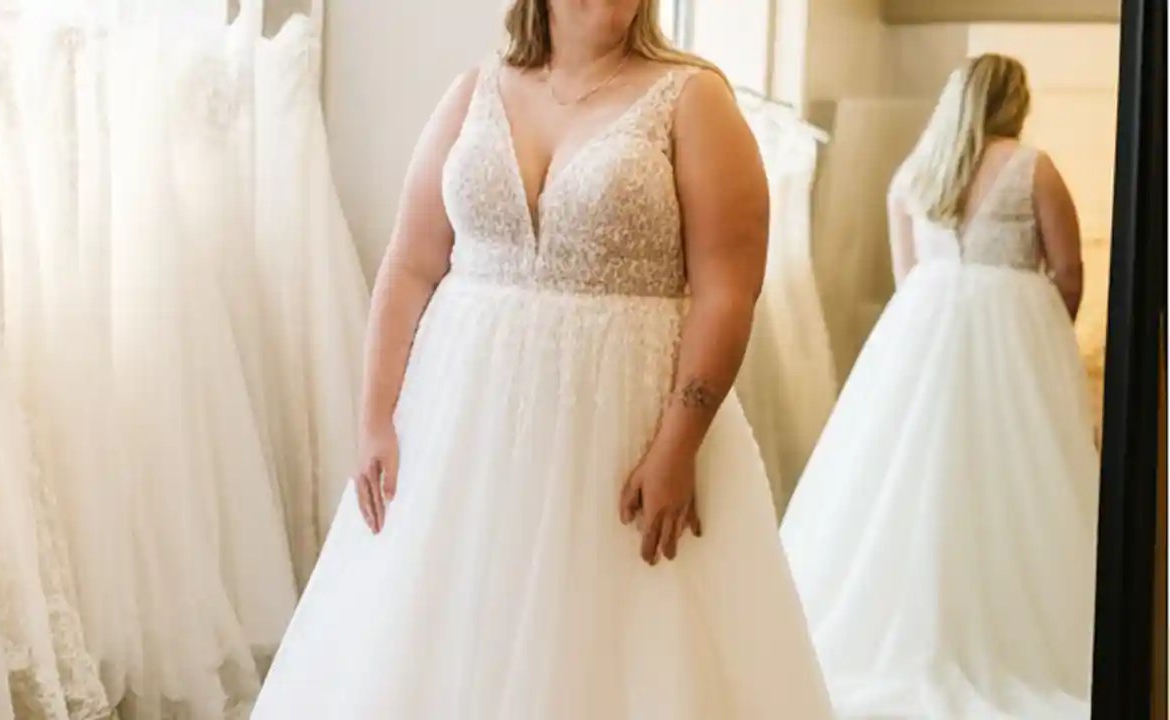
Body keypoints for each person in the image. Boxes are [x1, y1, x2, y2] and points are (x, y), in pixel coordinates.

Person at [252, 0, 832, 716]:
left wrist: (679, 446)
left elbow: (727, 290)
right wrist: (375, 417)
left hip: (618, 427)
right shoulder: (474, 92)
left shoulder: (694, 97)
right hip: (463, 430)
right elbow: (410, 264)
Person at [780, 54, 1098, 719]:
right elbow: (1068, 271)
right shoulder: (1033, 166)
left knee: (911, 482)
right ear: (1016, 100)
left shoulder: (917, 171)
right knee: (1012, 485)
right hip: (1010, 342)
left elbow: (909, 276)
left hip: (922, 338)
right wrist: (1038, 334)